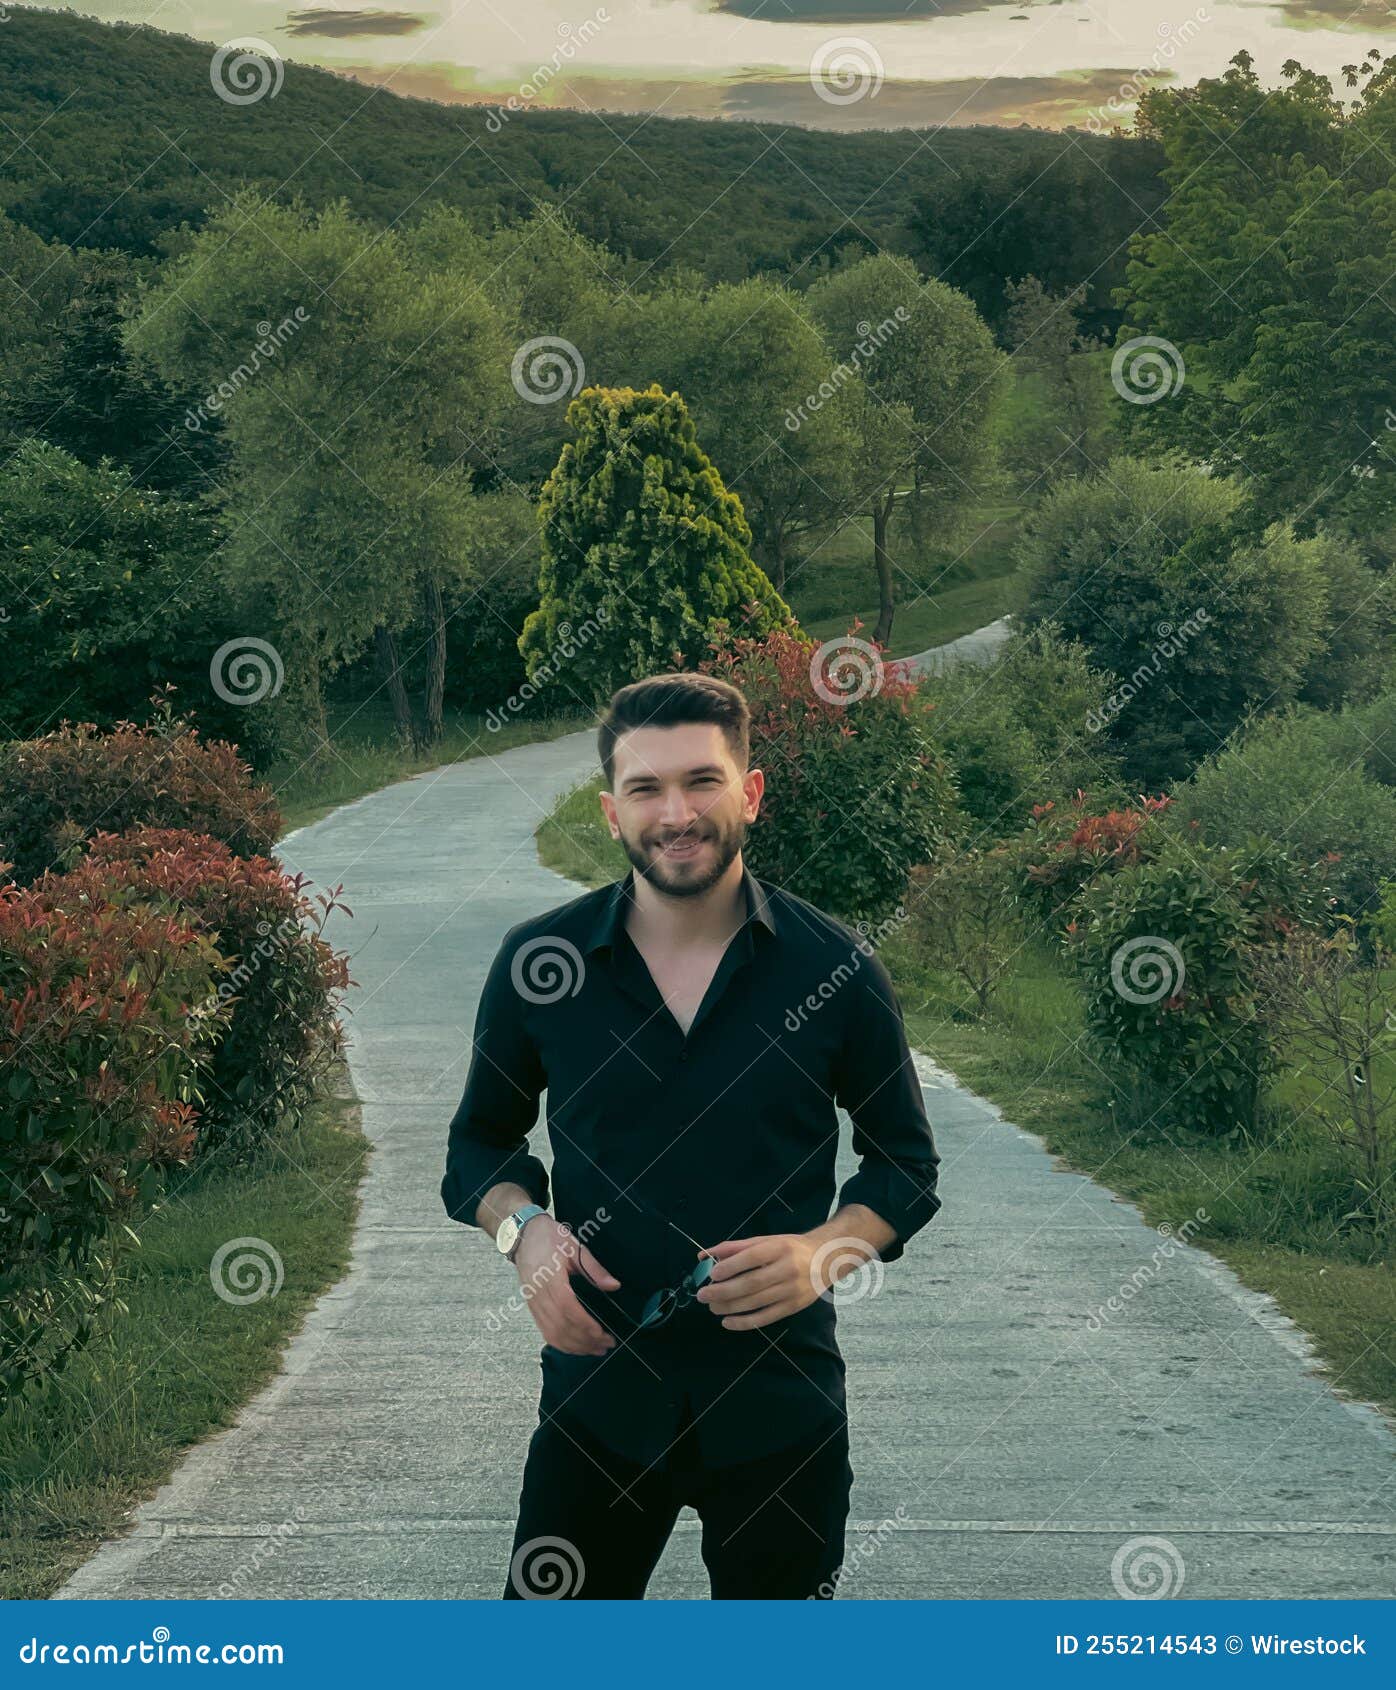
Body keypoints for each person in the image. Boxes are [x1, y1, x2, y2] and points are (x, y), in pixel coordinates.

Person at [441, 670, 941, 1599]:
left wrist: (826, 1251)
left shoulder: (836, 968)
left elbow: (905, 1164)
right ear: (611, 810)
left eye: (702, 781)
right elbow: (478, 1148)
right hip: (598, 1405)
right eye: (647, 789)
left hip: (780, 1410)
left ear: (748, 791)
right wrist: (523, 1236)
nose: (677, 813)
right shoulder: (539, 964)